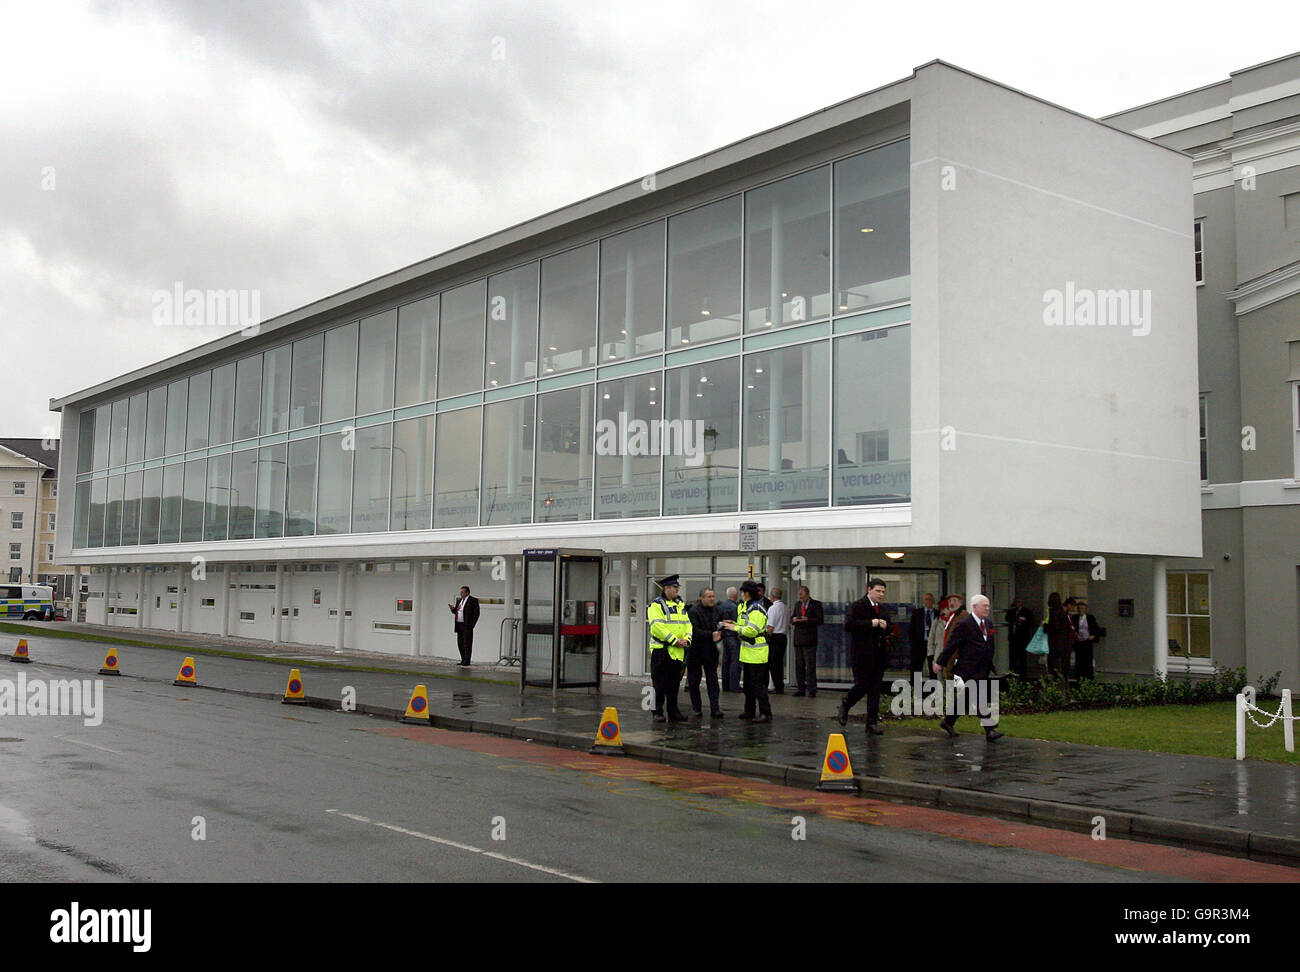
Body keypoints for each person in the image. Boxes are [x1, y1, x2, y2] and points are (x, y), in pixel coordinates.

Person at [934, 594, 1003, 740]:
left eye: (988, 606)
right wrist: (940, 662)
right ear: (975, 607)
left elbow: (989, 646)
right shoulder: (965, 623)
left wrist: (990, 664)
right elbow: (952, 644)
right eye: (984, 606)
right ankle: (990, 729)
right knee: (978, 696)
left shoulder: (988, 624)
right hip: (968, 668)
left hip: (982, 667)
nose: (987, 608)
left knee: (968, 696)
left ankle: (948, 721)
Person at [838, 577, 892, 735]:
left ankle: (872, 723)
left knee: (875, 690)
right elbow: (849, 625)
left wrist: (886, 626)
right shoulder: (858, 606)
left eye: (883, 592)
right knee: (862, 685)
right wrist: (871, 623)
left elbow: (889, 629)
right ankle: (846, 703)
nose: (881, 594)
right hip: (861, 655)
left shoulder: (882, 609)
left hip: (878, 655)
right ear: (869, 589)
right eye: (878, 591)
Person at [722, 579, 771, 723]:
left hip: (757, 653)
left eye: (743, 592)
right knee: (749, 686)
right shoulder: (745, 606)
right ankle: (749, 710)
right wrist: (734, 624)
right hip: (748, 653)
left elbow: (752, 630)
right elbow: (745, 624)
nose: (741, 594)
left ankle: (765, 713)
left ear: (747, 593)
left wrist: (734, 628)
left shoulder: (756, 609)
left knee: (759, 686)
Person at [646, 574, 691, 722]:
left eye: (677, 587)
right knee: (659, 683)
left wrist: (687, 640)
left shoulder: (680, 604)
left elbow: (687, 624)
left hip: (677, 651)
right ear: (666, 589)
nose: (677, 590)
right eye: (674, 587)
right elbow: (657, 627)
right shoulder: (656, 605)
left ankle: (673, 711)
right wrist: (674, 640)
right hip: (662, 649)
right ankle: (657, 711)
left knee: (673, 684)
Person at [686, 587, 724, 718]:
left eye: (713, 596)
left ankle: (715, 708)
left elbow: (719, 626)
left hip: (711, 651)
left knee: (712, 680)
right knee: (694, 681)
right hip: (696, 651)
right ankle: (696, 708)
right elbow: (694, 631)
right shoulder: (693, 611)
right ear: (701, 598)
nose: (712, 599)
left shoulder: (717, 610)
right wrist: (711, 635)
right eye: (709, 597)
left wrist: (722, 630)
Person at [790, 585, 823, 697]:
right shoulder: (797, 604)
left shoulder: (816, 604)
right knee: (799, 665)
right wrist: (794, 620)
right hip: (798, 639)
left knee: (810, 665)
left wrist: (808, 619)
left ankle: (812, 689)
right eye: (799, 595)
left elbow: (820, 620)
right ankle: (801, 688)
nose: (800, 597)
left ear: (807, 594)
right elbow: (792, 618)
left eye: (802, 595)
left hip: (810, 639)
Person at [1045, 592, 1074, 685]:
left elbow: (1054, 628)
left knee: (1053, 665)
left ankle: (1055, 683)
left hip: (1055, 643)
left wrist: (1045, 626)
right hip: (1065, 643)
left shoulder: (1053, 612)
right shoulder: (1063, 612)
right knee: (1065, 664)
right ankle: (1064, 683)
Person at [1004, 597, 1036, 679]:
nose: (1018, 603)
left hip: (1023, 638)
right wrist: (1015, 619)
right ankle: (1011, 674)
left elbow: (1031, 622)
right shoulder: (1011, 611)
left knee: (1023, 657)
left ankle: (1023, 675)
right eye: (1017, 602)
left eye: (1019, 602)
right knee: (1012, 657)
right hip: (1013, 637)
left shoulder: (1027, 611)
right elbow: (1007, 618)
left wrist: (1024, 620)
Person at [1072, 599, 1104, 680]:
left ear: (1086, 609)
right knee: (1079, 660)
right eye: (1079, 608)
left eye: (1082, 608)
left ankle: (1089, 677)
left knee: (1088, 660)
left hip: (1087, 642)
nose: (1080, 610)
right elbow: (1072, 629)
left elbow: (1096, 628)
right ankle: (1079, 677)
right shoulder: (1074, 618)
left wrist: (1093, 635)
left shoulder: (1090, 618)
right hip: (1079, 642)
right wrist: (1075, 635)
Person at [448, 586, 480, 666]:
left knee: (467, 643)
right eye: (460, 592)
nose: (461, 593)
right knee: (460, 643)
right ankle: (463, 659)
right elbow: (457, 611)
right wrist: (453, 609)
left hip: (467, 625)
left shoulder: (473, 600)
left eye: (462, 592)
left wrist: (471, 625)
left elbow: (476, 614)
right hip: (459, 624)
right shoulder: (459, 601)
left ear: (467, 593)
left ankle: (467, 660)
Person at [717, 587, 741, 692]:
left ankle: (725, 685)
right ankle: (734, 686)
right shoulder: (735, 607)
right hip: (733, 636)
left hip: (724, 636)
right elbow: (737, 622)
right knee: (735, 662)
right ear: (736, 595)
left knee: (726, 661)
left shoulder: (721, 606)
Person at [766, 587, 788, 694]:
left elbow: (770, 626)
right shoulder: (785, 607)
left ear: (772, 596)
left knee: (773, 664)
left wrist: (766, 636)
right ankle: (780, 686)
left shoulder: (773, 608)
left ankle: (777, 686)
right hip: (783, 637)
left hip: (775, 637)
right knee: (779, 663)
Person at [909, 593, 938, 675]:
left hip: (933, 645)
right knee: (917, 667)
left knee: (933, 668)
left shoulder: (938, 614)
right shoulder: (916, 613)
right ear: (923, 601)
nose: (928, 601)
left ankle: (933, 687)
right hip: (919, 644)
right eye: (926, 599)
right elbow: (911, 630)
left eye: (930, 599)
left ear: (933, 601)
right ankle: (916, 687)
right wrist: (913, 644)